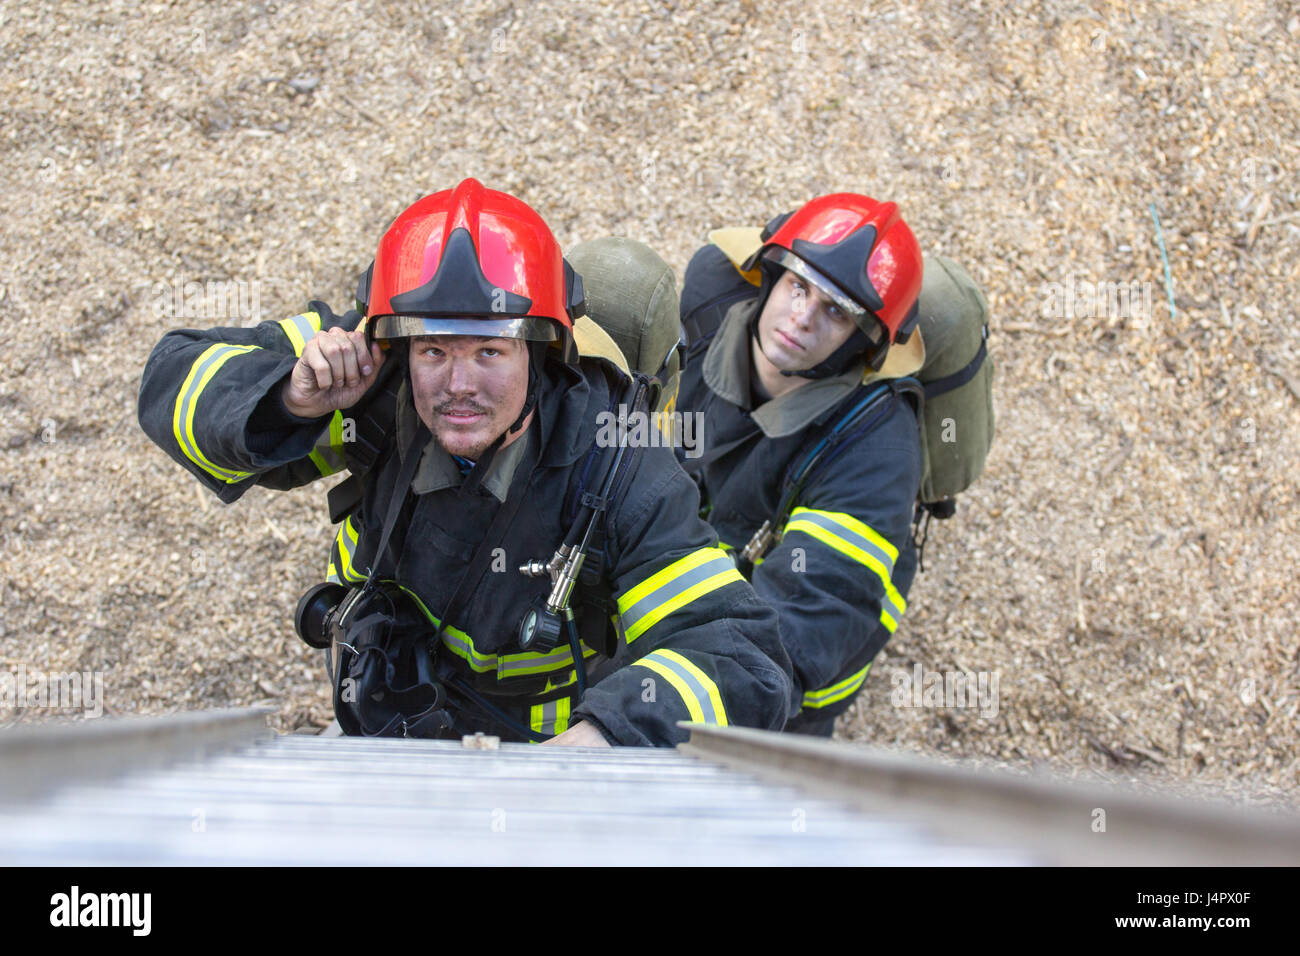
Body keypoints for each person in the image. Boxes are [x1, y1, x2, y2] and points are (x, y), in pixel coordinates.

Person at [138, 178, 792, 747]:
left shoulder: (618, 463)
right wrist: (291, 396)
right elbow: (173, 377)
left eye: (489, 353)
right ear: (398, 346)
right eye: (435, 353)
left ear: (543, 354)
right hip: (383, 701)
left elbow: (745, 656)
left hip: (537, 746)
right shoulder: (370, 379)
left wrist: (598, 740)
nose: (458, 385)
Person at [674, 193, 927, 737]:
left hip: (792, 696)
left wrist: (642, 712)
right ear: (770, 275)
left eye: (837, 311)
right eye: (798, 285)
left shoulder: (880, 450)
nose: (801, 317)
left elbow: (795, 633)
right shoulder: (709, 302)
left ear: (864, 345)